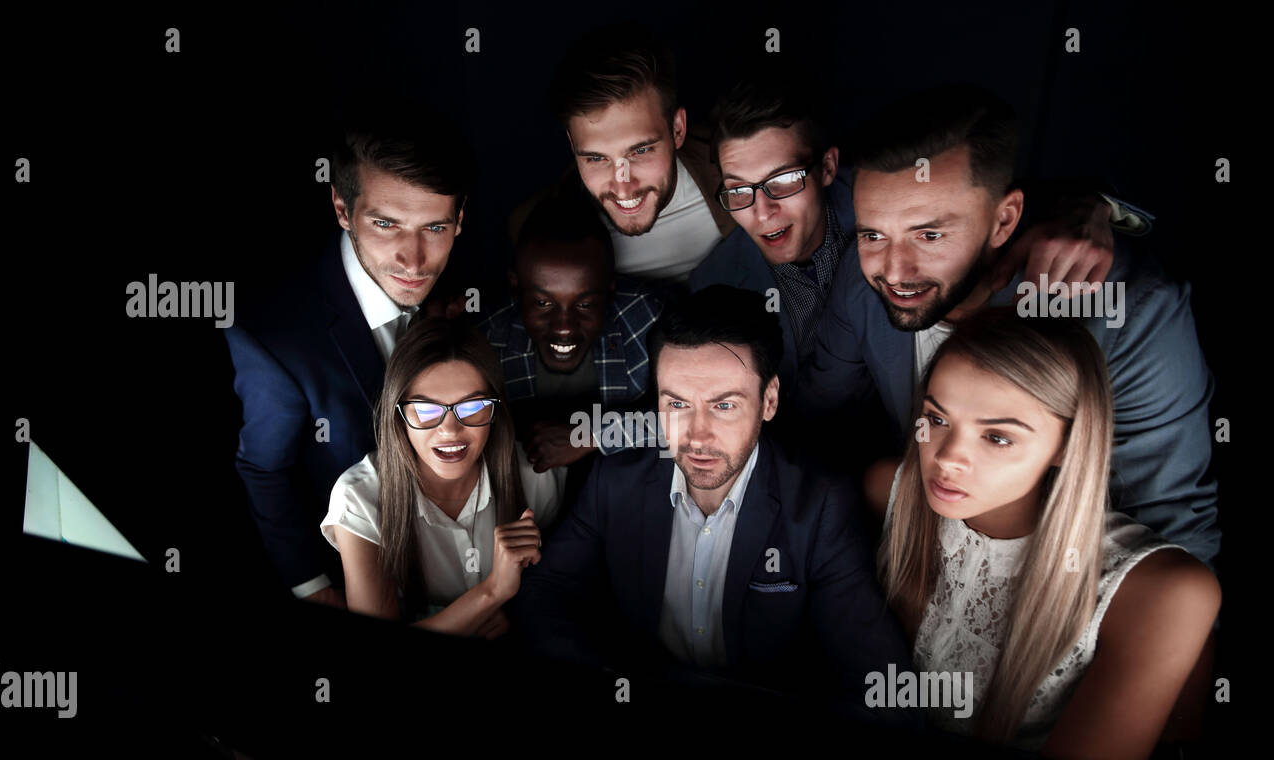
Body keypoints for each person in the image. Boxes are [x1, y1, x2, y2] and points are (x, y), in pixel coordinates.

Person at [799, 84, 1220, 568]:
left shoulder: (1128, 312)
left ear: (1005, 219)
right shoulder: (861, 278)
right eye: (874, 233)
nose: (893, 270)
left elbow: (1175, 533)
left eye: (930, 234)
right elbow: (821, 421)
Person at [513, 285, 911, 721]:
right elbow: (548, 592)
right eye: (677, 403)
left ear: (769, 400)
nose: (697, 435)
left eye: (723, 405)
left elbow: (879, 679)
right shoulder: (615, 480)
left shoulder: (820, 506)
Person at [863, 312, 1220, 760]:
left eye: (997, 436)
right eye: (937, 417)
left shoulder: (1161, 591)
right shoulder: (888, 493)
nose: (948, 458)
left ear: (1068, 444)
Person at [693, 71, 1151, 401]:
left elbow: (977, 190)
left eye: (785, 180)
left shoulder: (887, 186)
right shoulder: (715, 283)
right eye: (737, 190)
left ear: (828, 168)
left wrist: (1092, 205)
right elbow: (812, 410)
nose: (762, 209)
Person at [225, 104, 477, 607]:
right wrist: (315, 590)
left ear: (459, 218)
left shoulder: (478, 287)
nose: (414, 259)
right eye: (386, 225)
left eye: (434, 228)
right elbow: (264, 470)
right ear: (342, 209)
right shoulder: (276, 336)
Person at [321, 318, 564, 636]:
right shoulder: (359, 497)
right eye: (425, 410)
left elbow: (562, 589)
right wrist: (491, 595)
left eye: (472, 406)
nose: (449, 430)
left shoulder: (535, 473)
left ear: (495, 409)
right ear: (400, 415)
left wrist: (517, 612)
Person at [518, 23, 734, 283]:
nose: (623, 188)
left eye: (640, 150)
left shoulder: (738, 172)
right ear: (572, 144)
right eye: (596, 158)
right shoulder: (536, 234)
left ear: (677, 129)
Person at [478, 193, 665, 474]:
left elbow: (695, 417)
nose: (564, 326)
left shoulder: (644, 317)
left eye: (585, 304)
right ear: (516, 288)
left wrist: (592, 436)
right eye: (543, 303)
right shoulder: (487, 337)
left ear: (610, 289)